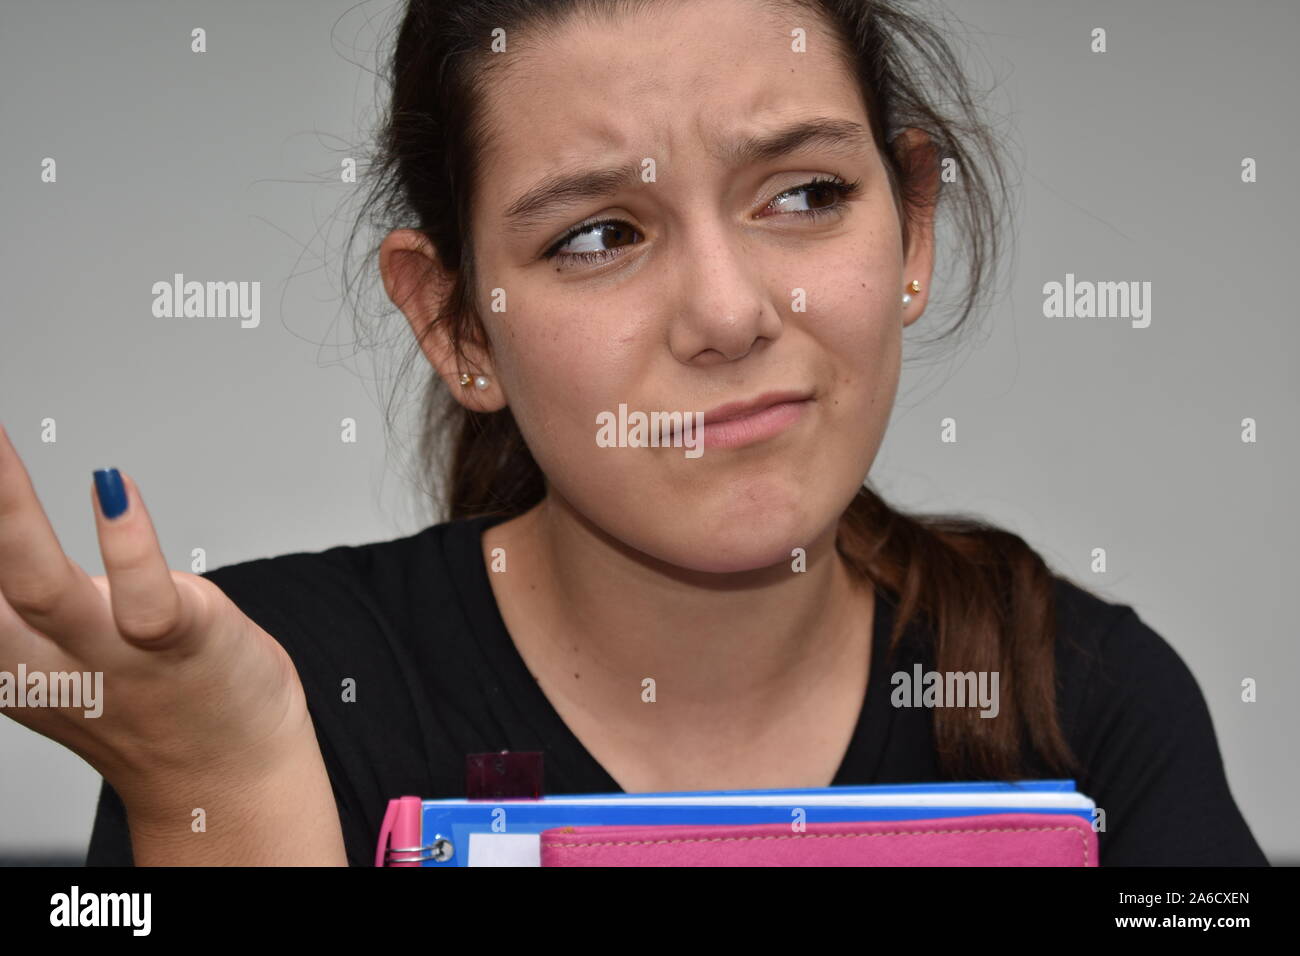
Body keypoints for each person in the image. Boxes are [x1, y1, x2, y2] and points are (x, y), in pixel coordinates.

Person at [1, 0, 1267, 867]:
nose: (727, 314)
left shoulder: (1086, 695)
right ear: (457, 325)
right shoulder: (265, 691)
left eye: (804, 194)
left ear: (912, 228)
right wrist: (219, 783)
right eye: (598, 235)